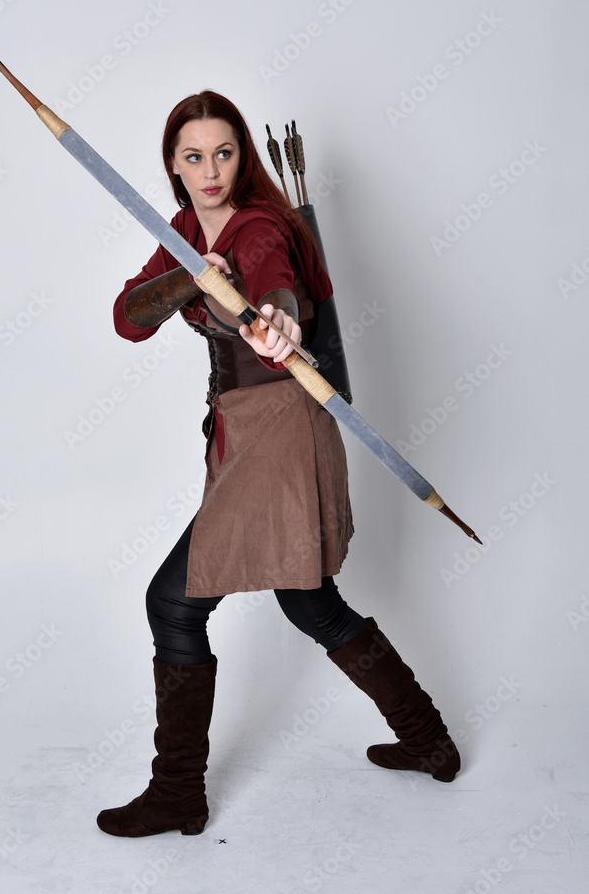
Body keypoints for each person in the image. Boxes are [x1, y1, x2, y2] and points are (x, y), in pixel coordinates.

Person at [97, 91, 460, 839]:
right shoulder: (183, 234)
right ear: (171, 162)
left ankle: (178, 794)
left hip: (280, 433)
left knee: (172, 603)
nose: (210, 170)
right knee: (310, 600)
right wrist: (184, 281)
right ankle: (430, 741)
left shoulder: (261, 224)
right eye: (193, 155)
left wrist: (278, 318)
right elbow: (128, 318)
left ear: (244, 156)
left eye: (223, 153)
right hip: (243, 433)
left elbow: (272, 280)